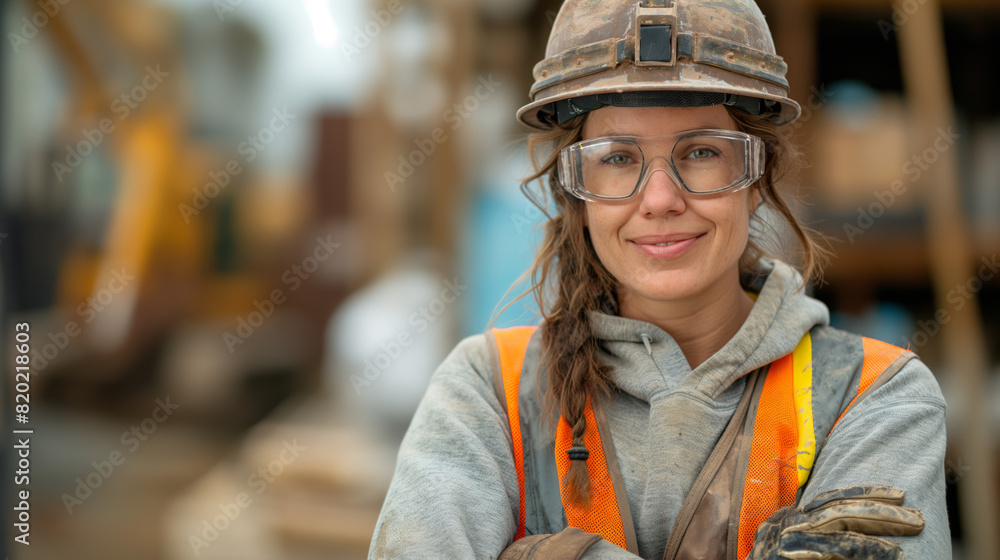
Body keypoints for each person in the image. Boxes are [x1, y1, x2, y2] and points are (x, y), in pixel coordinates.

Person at [368, 0, 950, 558]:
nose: (661, 199)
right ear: (575, 193)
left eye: (700, 151)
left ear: (756, 177)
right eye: (618, 158)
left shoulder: (873, 398)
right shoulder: (489, 390)